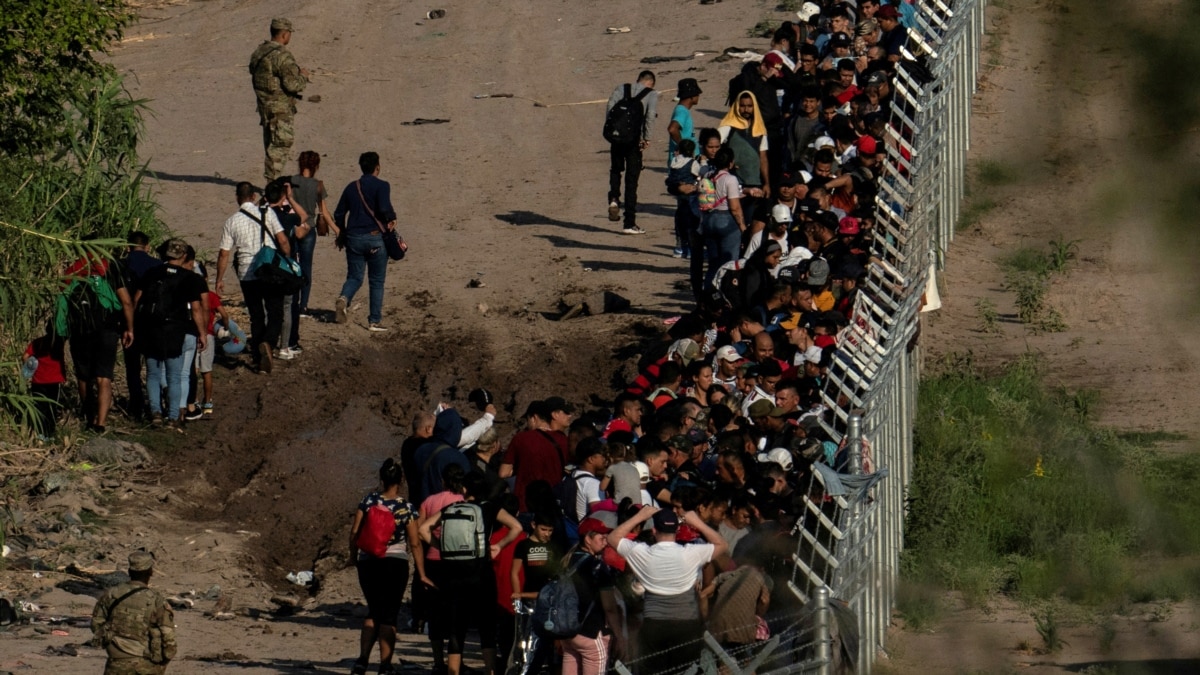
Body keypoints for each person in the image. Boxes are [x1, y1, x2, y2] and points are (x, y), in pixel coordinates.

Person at [608, 506, 727, 675]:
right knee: (685, 671)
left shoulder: (642, 552)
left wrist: (640, 516)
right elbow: (722, 544)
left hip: (654, 625)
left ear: (654, 530)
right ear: (677, 530)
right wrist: (696, 522)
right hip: (686, 625)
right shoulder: (691, 553)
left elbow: (613, 537)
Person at [348, 458, 428, 675]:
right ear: (400, 481)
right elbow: (414, 542)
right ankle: (385, 665)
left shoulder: (368, 501)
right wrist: (421, 572)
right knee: (389, 613)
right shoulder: (406, 507)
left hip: (368, 562)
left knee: (374, 609)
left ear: (381, 479)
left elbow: (355, 533)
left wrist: (353, 556)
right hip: (395, 563)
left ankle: (362, 660)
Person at [216, 181, 291, 374]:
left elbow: (224, 254)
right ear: (254, 197)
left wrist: (219, 279)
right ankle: (268, 343)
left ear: (237, 197)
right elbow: (282, 240)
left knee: (256, 315)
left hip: (247, 273)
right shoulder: (267, 213)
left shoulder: (231, 221)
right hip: (270, 271)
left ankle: (258, 358)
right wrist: (288, 262)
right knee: (275, 312)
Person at [59, 246, 135, 433]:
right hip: (107, 330)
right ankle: (100, 423)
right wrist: (129, 329)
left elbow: (61, 303)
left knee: (83, 377)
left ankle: (88, 416)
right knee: (104, 378)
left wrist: (61, 333)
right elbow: (125, 301)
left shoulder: (73, 270)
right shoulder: (109, 267)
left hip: (80, 331)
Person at [135, 239, 208, 427]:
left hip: (151, 328)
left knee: (152, 373)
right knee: (174, 375)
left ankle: (156, 413)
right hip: (175, 329)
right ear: (183, 256)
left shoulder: (152, 272)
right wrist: (202, 333)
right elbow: (197, 309)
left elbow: (138, 299)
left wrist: (134, 325)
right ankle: (173, 416)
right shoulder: (189, 278)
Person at [333, 151, 397, 332]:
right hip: (375, 238)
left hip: (353, 238)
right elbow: (384, 208)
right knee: (376, 281)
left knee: (354, 276)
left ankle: (344, 298)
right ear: (378, 167)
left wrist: (342, 233)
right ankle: (374, 321)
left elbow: (339, 213)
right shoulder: (382, 185)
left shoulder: (351, 187)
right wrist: (392, 217)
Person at [91, 550, 176, 675]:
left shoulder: (112, 594)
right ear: (150, 572)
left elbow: (96, 624)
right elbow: (168, 636)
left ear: (129, 572)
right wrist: (164, 660)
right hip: (146, 664)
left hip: (116, 662)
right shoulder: (157, 600)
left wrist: (111, 643)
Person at [561, 517, 625, 675]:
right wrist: (620, 637)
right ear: (587, 539)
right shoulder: (597, 566)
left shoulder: (565, 561)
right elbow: (609, 607)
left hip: (567, 632)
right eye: (601, 538)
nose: (605, 542)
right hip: (591, 633)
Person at [249, 17, 309, 183]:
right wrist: (303, 76)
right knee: (281, 144)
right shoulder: (282, 56)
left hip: (264, 106)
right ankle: (272, 183)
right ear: (284, 34)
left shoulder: (259, 51)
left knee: (271, 143)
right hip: (280, 109)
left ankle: (272, 181)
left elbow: (253, 70)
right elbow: (293, 85)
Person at [606, 70, 659, 235]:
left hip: (616, 138)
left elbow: (610, 108)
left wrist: (613, 131)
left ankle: (614, 198)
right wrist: (647, 138)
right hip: (633, 141)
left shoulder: (621, 88)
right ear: (651, 83)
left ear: (638, 80)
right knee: (631, 180)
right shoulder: (651, 94)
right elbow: (650, 117)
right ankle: (629, 222)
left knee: (616, 169)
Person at [264, 177, 309, 359]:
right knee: (288, 306)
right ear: (282, 195)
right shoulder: (286, 217)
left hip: (266, 265)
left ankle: (268, 343)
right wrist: (290, 198)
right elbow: (304, 216)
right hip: (284, 266)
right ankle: (284, 347)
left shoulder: (262, 214)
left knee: (269, 306)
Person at [290, 150, 335, 315]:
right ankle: (304, 305)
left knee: (291, 265)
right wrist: (338, 231)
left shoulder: (291, 181)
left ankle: (292, 301)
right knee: (306, 267)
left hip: (292, 229)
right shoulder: (317, 185)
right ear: (316, 166)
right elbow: (325, 212)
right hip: (309, 230)